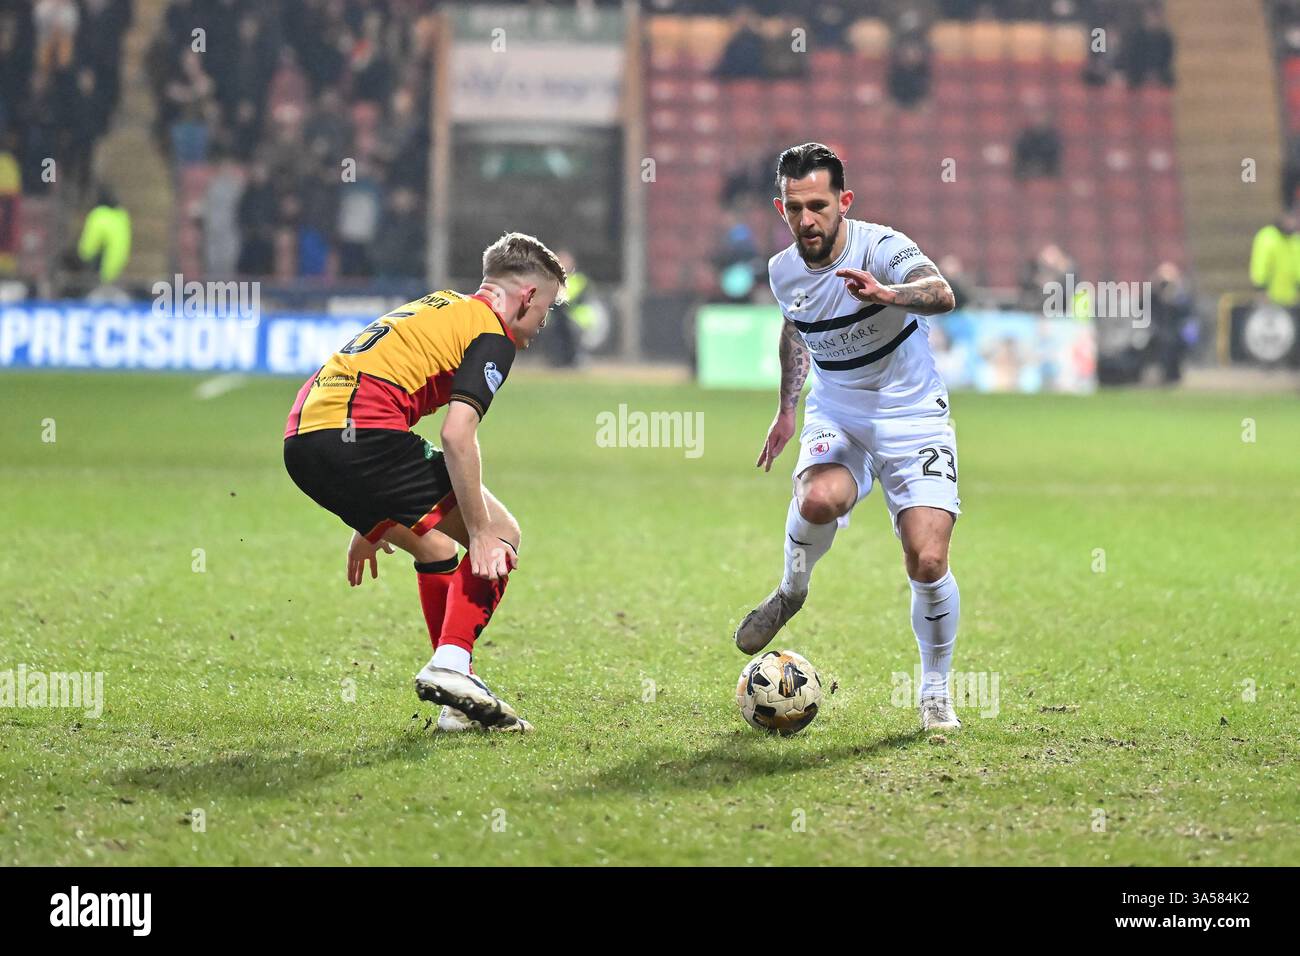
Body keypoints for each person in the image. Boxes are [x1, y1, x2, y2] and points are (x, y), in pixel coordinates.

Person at [283, 232, 567, 732]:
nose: (542, 324)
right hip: (363, 434)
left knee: (434, 549)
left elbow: (383, 383)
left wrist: (369, 519)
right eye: (545, 308)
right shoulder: (492, 334)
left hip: (306, 440)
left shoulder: (441, 307)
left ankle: (455, 704)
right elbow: (457, 436)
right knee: (503, 535)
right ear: (527, 295)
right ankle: (453, 666)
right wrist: (481, 531)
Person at [735, 143, 963, 732]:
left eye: (817, 205)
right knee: (818, 499)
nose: (805, 220)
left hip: (914, 415)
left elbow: (942, 293)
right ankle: (790, 591)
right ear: (780, 208)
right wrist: (787, 408)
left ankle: (935, 692)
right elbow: (794, 328)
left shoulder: (882, 247)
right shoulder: (782, 269)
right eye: (793, 208)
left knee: (929, 558)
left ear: (844, 201)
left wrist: (888, 295)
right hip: (838, 411)